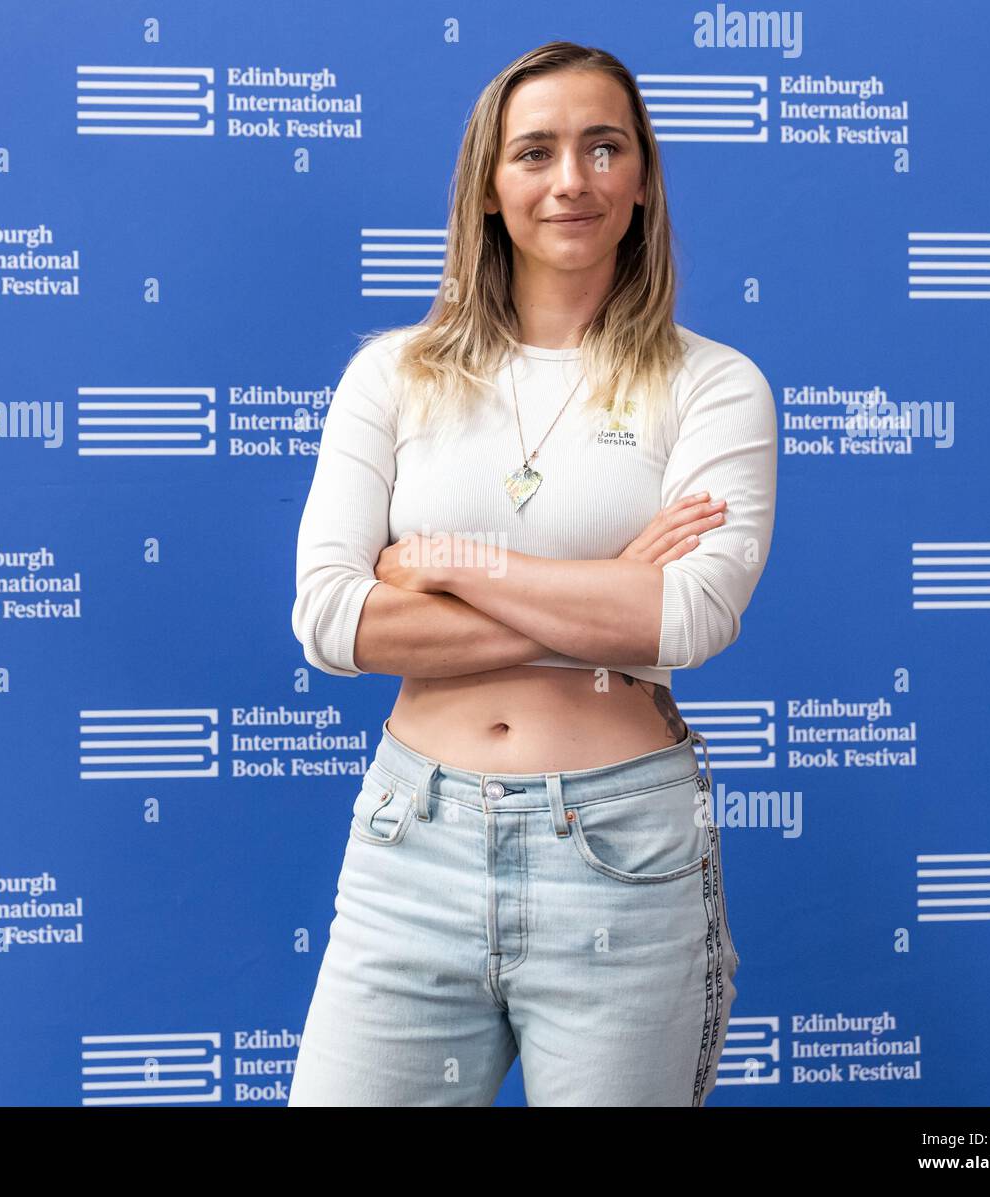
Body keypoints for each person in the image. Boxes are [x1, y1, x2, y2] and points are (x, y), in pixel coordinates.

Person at [287, 40, 777, 1106]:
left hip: (625, 854)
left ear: (641, 179)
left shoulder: (714, 385)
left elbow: (686, 617)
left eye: (604, 148)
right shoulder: (393, 375)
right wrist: (607, 589)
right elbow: (332, 621)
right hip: (410, 844)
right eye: (536, 151)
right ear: (490, 184)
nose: (571, 180)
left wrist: (445, 566)